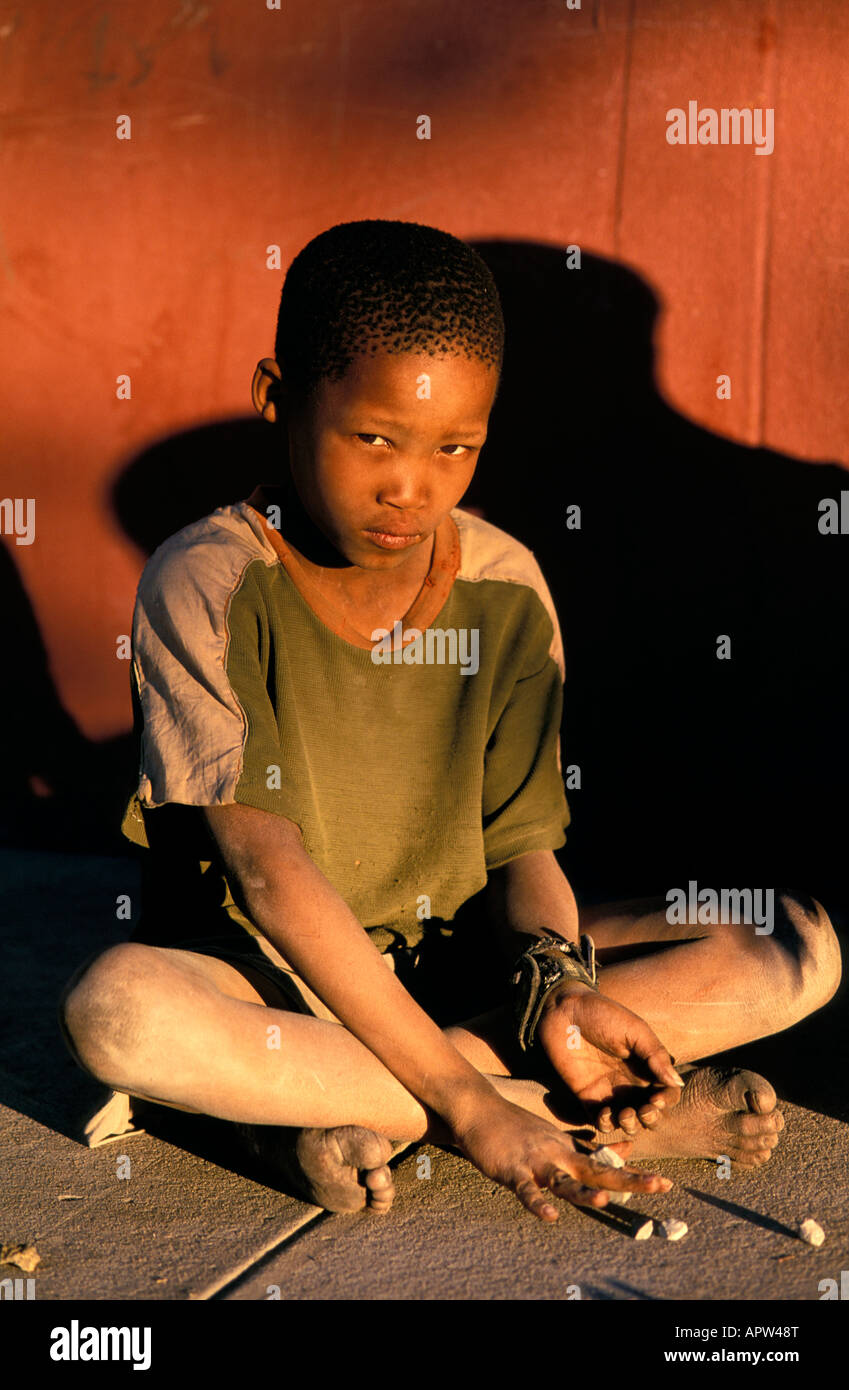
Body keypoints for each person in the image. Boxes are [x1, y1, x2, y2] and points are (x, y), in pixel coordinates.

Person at [58, 220, 841, 1220]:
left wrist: (556, 990)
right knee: (117, 1010)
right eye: (373, 438)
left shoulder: (507, 584)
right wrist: (474, 1101)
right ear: (278, 398)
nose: (410, 487)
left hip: (457, 954)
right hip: (270, 981)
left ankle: (329, 1106)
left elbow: (522, 853)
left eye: (455, 448)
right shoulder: (206, 582)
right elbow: (267, 874)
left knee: (792, 942)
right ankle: (540, 1112)